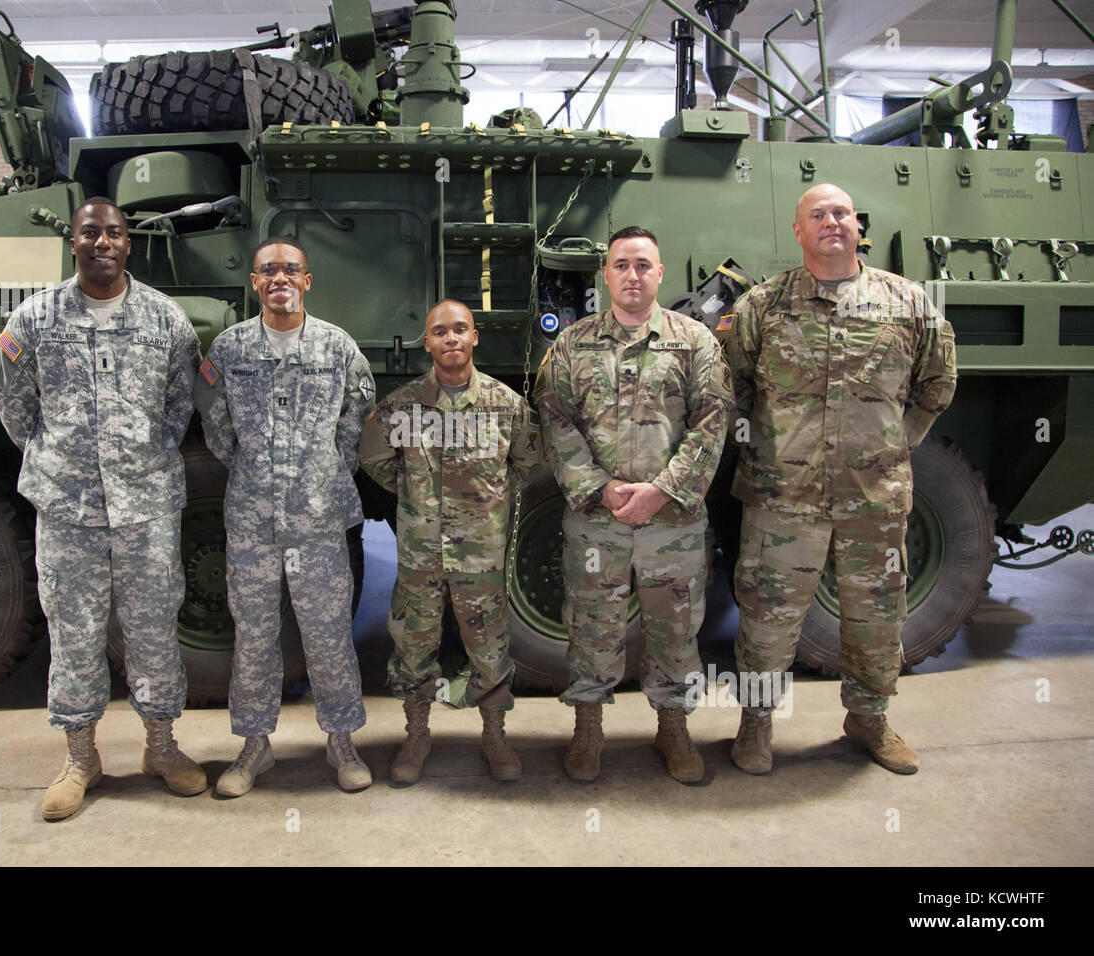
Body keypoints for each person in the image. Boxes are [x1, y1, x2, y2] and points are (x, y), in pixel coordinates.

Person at [717, 182, 957, 775]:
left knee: (876, 616)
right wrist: (765, 449)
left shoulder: (908, 302)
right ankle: (756, 724)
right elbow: (733, 388)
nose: (831, 222)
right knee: (767, 619)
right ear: (797, 232)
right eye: (817, 215)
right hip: (783, 499)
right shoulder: (762, 308)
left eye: (842, 213)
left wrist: (897, 442)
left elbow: (938, 382)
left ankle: (869, 718)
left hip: (874, 499)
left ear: (858, 226)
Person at [0, 197, 207, 821]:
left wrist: (145, 457)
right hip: (67, 507)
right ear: (75, 242)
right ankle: (81, 759)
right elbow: (12, 406)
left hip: (145, 506)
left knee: (153, 631)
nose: (103, 242)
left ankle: (162, 749)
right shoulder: (33, 319)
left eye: (114, 232)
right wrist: (58, 459)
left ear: (128, 242)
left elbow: (177, 405)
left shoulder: (165, 320)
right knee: (74, 634)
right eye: (91, 233)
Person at [536, 225, 732, 783]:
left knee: (675, 629)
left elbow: (713, 420)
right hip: (597, 521)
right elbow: (554, 419)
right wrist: (598, 486)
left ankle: (674, 727)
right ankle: (588, 729)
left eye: (643, 265)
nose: (632, 275)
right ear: (606, 275)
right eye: (622, 264)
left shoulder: (695, 340)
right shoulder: (574, 344)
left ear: (660, 273)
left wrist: (662, 490)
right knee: (591, 627)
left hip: (671, 522)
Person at [194, 236, 375, 795]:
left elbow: (359, 414)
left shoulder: (337, 347)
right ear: (254, 282)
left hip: (319, 520)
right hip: (252, 521)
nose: (279, 279)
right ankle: (254, 746)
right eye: (268, 271)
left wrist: (325, 469)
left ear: (306, 280)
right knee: (253, 636)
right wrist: (255, 470)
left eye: (290, 270)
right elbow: (215, 424)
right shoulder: (229, 350)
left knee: (327, 635)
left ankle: (342, 742)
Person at [360, 300, 542, 785]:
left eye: (460, 329)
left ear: (475, 337)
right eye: (441, 332)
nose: (451, 338)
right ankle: (417, 735)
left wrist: (483, 506)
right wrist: (418, 498)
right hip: (421, 553)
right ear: (428, 343)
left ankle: (495, 735)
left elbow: (527, 464)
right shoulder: (401, 407)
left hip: (479, 555)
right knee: (414, 645)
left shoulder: (506, 406)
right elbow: (375, 459)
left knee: (489, 643)